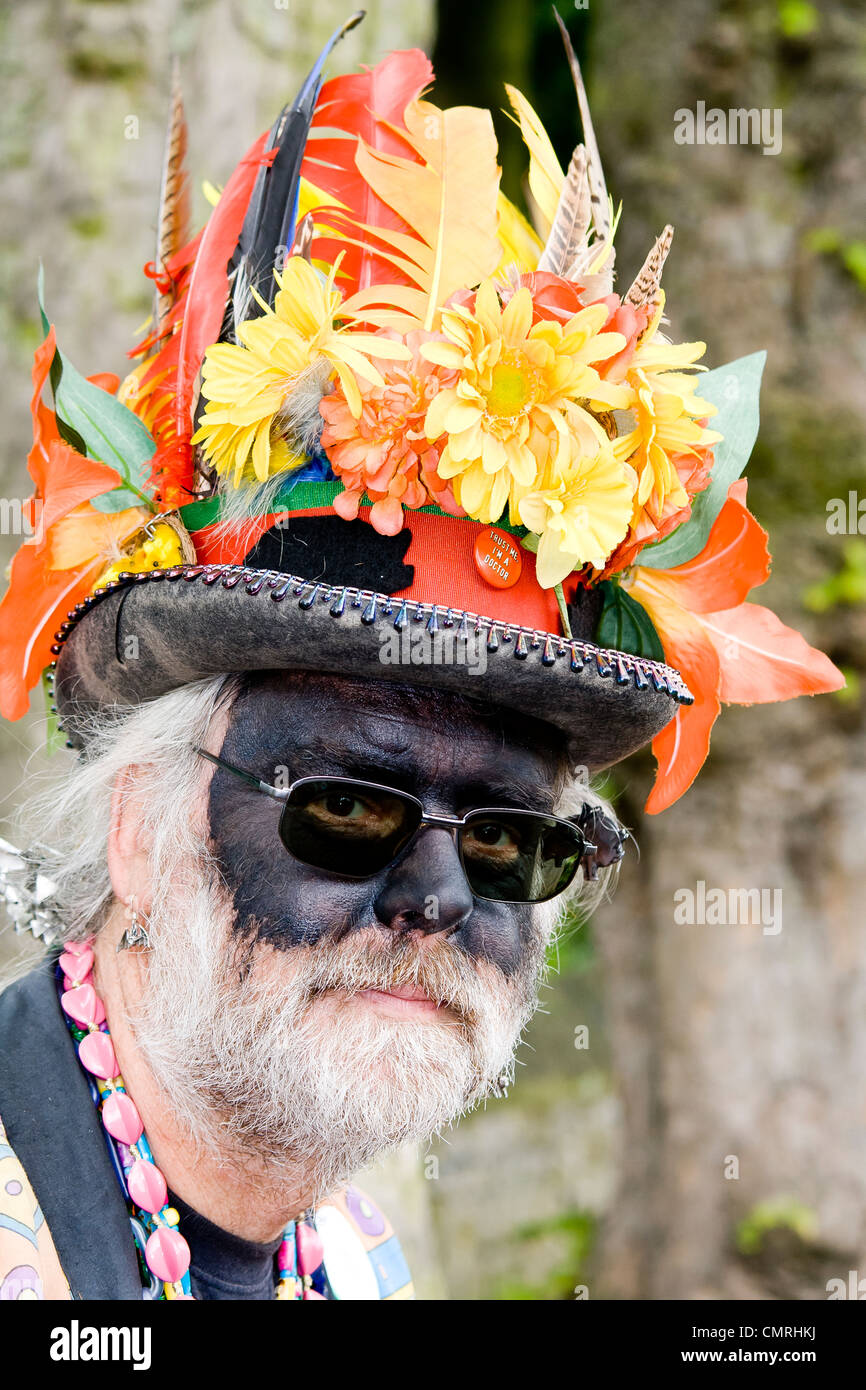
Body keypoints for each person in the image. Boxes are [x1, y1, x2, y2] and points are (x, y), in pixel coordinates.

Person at [0, 14, 839, 1301]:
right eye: (344, 808)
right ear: (136, 831)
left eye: (510, 841)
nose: (440, 899)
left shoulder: (355, 1256)